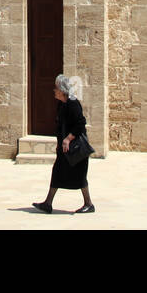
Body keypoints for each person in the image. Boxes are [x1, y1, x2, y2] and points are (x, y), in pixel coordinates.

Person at [33, 74, 95, 214]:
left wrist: (68, 139)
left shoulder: (73, 103)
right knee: (57, 173)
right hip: (65, 149)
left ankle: (89, 204)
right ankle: (48, 203)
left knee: (80, 176)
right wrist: (60, 143)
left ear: (61, 90)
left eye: (56, 88)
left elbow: (80, 124)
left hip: (76, 148)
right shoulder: (62, 103)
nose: (54, 90)